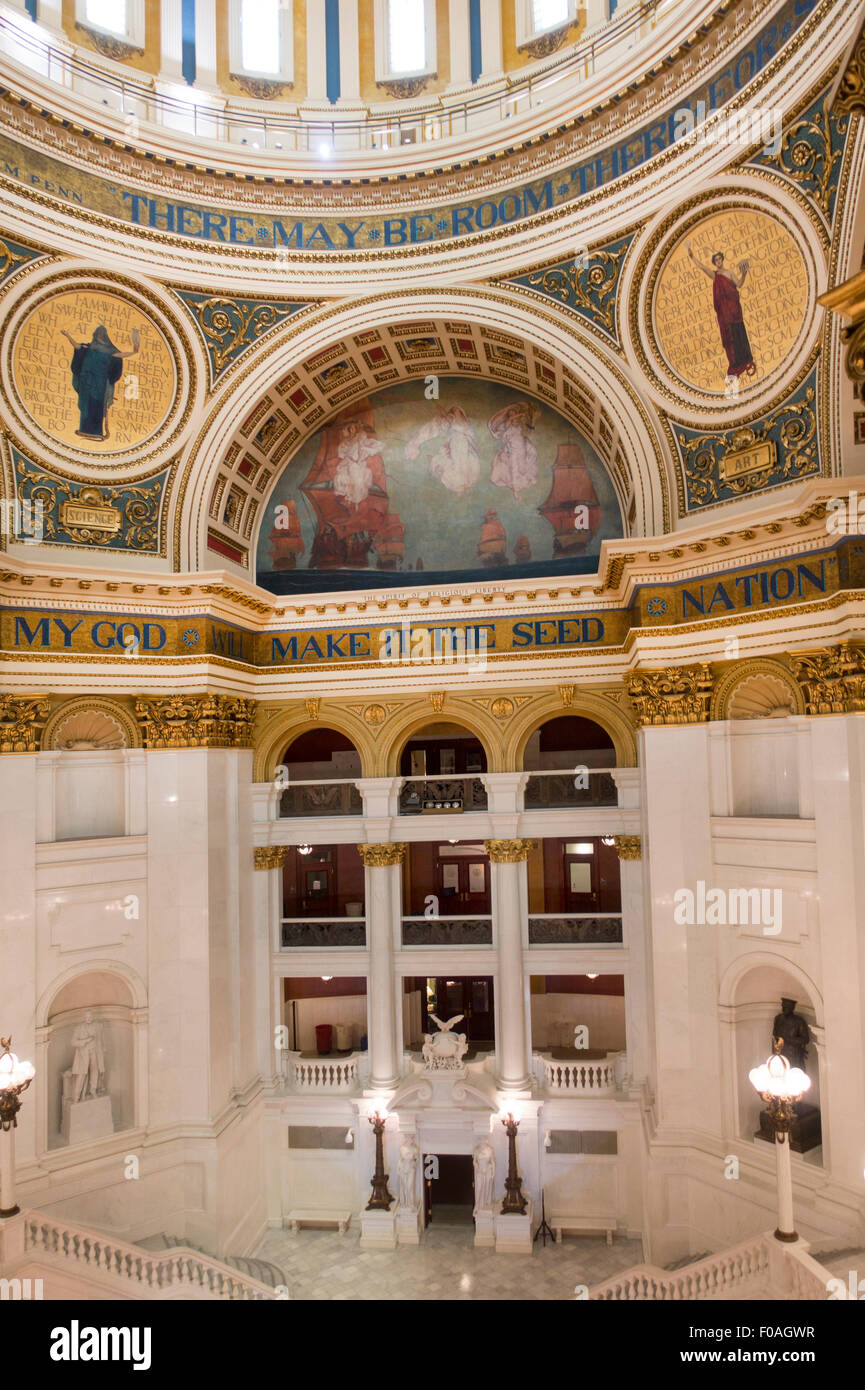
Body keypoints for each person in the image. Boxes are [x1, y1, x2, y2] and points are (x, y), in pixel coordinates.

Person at [686, 243, 756, 395]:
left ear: (722, 259)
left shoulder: (730, 273)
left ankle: (745, 358)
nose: (718, 261)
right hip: (725, 313)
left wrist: (744, 273)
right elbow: (702, 268)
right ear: (715, 262)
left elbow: (739, 284)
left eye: (719, 259)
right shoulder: (715, 275)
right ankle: (736, 362)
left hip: (735, 310)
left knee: (739, 333)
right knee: (730, 336)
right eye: (716, 260)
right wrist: (692, 256)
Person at [61, 324, 140, 440]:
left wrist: (133, 352)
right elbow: (77, 346)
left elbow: (121, 355)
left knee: (98, 405)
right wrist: (68, 335)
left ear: (105, 336)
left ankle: (97, 431)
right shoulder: (88, 347)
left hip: (100, 384)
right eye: (99, 334)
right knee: (86, 406)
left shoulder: (109, 351)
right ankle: (84, 429)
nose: (100, 336)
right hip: (87, 381)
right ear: (95, 335)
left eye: (102, 334)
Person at [70, 1011, 105, 1101]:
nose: (89, 1018)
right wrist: (85, 1041)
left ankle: (93, 1089)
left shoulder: (97, 1027)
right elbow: (73, 1042)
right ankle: (77, 1095)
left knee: (95, 1071)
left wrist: (103, 1048)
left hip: (95, 1052)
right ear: (84, 1018)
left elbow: (101, 1039)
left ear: (92, 1017)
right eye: (87, 1017)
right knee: (81, 1075)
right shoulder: (79, 1028)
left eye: (90, 1017)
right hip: (83, 1054)